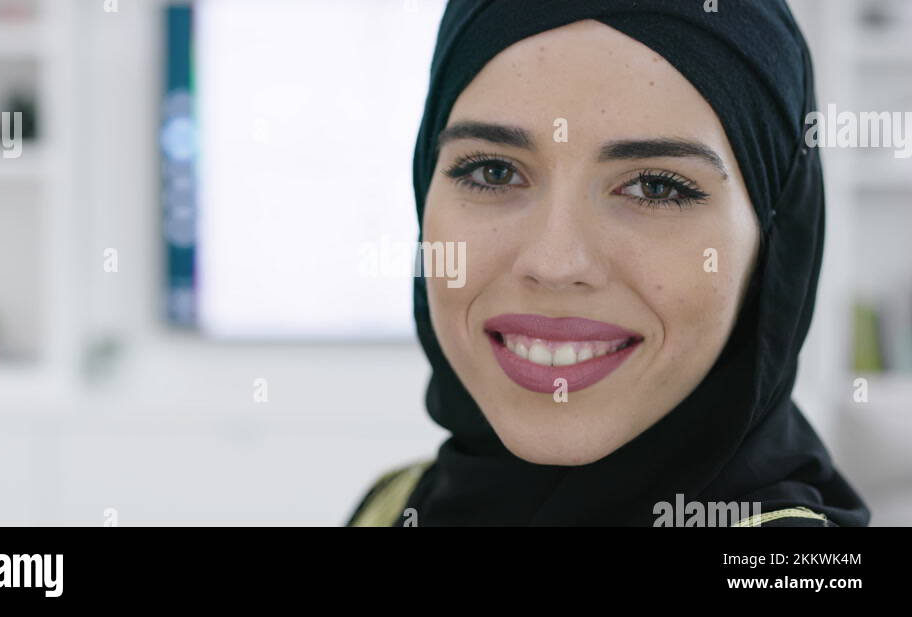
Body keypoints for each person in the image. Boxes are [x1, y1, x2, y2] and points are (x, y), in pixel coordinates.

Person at [347, 0, 871, 527]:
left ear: (772, 243)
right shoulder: (392, 505)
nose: (554, 264)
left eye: (655, 187)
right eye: (494, 172)